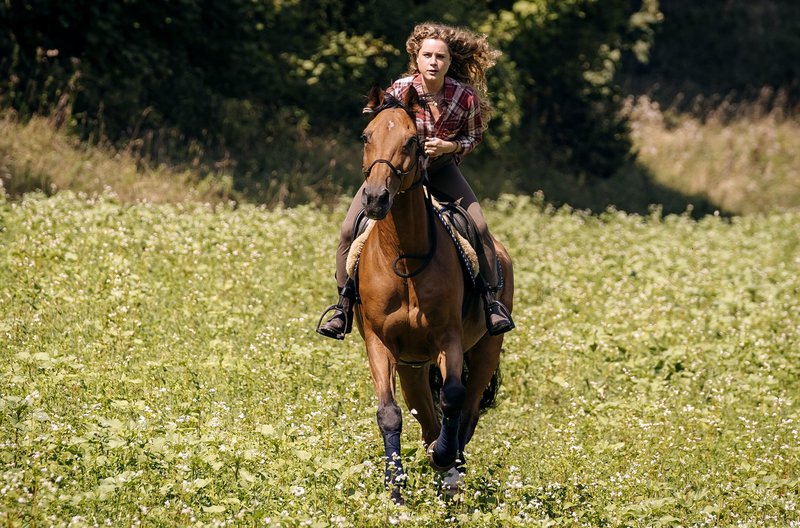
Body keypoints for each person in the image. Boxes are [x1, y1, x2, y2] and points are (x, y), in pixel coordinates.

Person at [317, 22, 515, 340]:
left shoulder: (464, 97)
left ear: (450, 63)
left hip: (440, 169)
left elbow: (474, 136)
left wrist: (450, 147)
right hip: (397, 174)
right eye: (427, 55)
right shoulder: (399, 91)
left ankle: (491, 303)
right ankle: (342, 307)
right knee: (347, 230)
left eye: (440, 57)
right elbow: (382, 130)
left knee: (478, 226)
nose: (434, 62)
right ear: (417, 58)